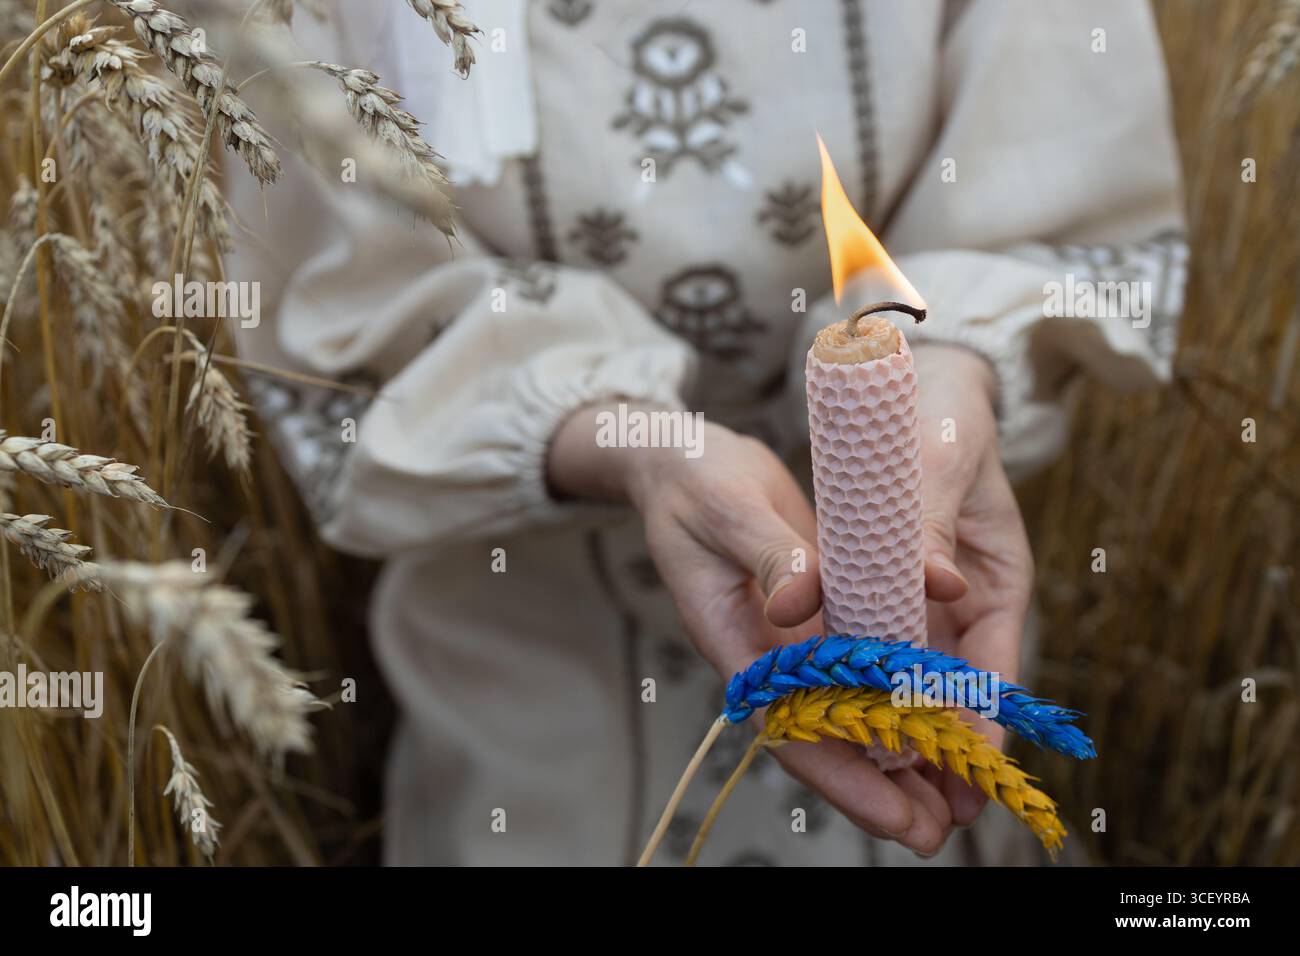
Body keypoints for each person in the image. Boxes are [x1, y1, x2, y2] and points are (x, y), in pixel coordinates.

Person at [228, 0, 1186, 865]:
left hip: (941, 690)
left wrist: (954, 365)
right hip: (532, 719)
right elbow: (338, 314)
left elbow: (1061, 167)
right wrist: (632, 449)